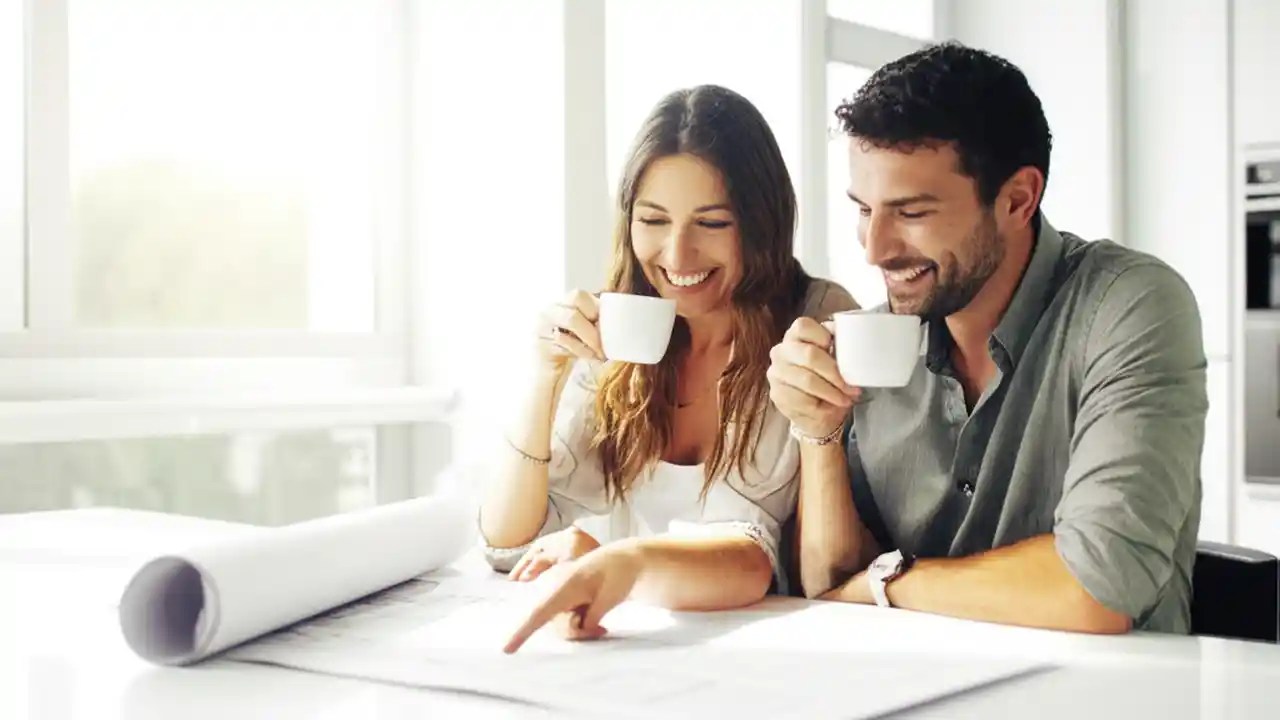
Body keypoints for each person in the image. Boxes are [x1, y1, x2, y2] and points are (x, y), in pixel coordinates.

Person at [768, 43, 1207, 634]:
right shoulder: (873, 341)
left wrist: (886, 582)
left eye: (912, 212)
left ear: (1018, 199)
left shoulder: (1130, 307)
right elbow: (830, 586)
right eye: (863, 209)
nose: (874, 249)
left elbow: (1097, 588)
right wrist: (817, 431)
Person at [479, 84, 856, 653]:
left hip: (765, 654)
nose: (677, 257)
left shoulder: (814, 320)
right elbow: (508, 541)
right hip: (628, 648)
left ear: (760, 223)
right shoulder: (621, 323)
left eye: (712, 224)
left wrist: (617, 562)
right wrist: (543, 377)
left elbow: (753, 559)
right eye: (653, 220)